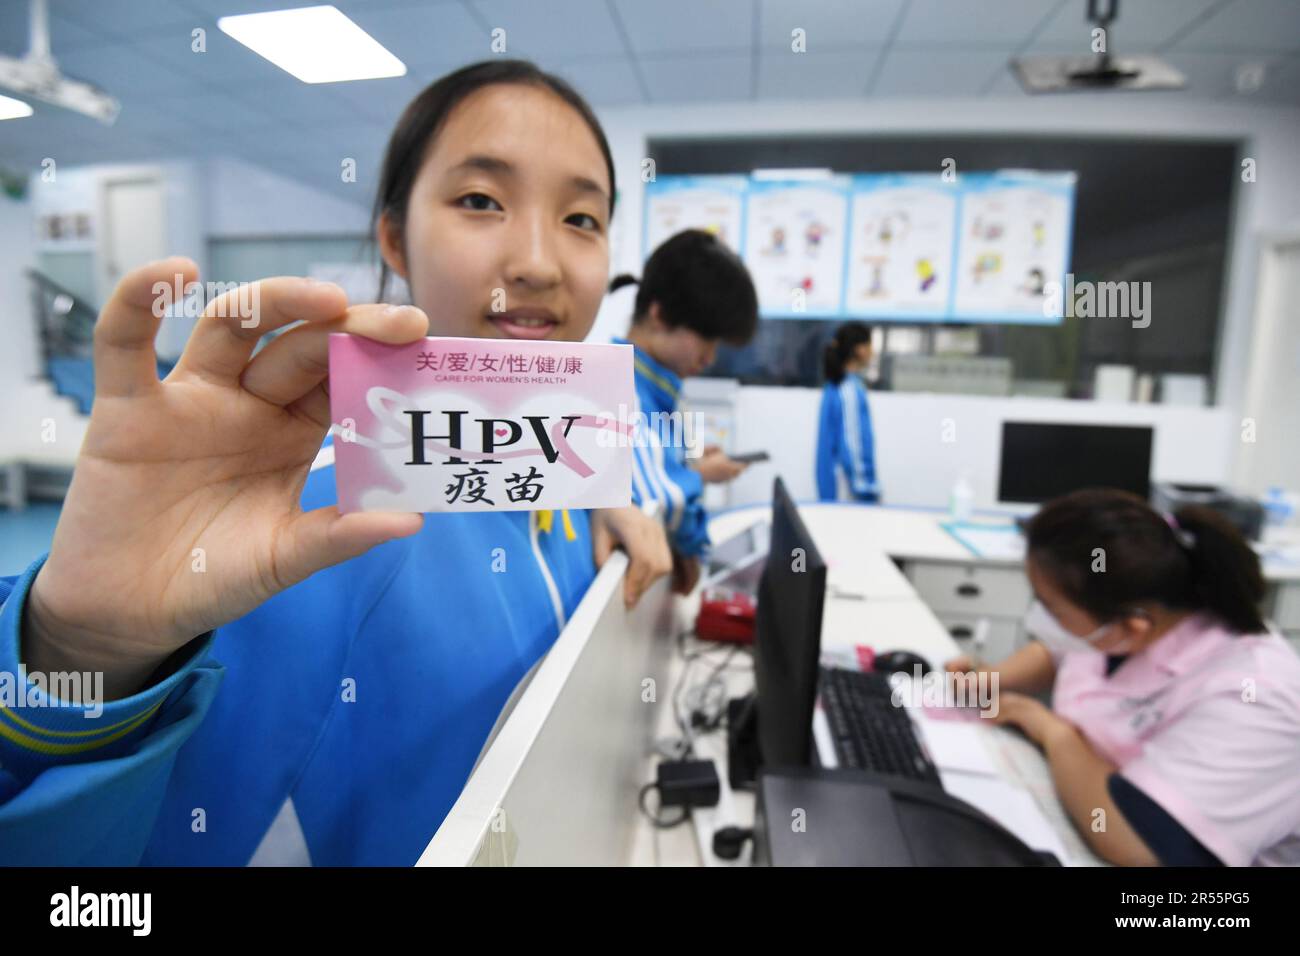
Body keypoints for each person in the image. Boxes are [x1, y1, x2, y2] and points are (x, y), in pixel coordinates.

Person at [0, 60, 674, 866]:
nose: (539, 262)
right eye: (481, 201)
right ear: (394, 235)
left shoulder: (571, 481)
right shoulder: (300, 527)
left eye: (582, 219)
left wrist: (607, 501)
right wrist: (84, 652)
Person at [946, 488, 1300, 866]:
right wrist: (991, 680)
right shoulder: (1140, 609)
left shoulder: (1254, 697)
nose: (1039, 620)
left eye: (1051, 609)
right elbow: (1060, 651)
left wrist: (1051, 731)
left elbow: (1140, 845)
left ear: (1132, 628)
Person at [610, 229, 759, 594]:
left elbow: (651, 465)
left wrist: (690, 465)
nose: (710, 357)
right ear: (659, 315)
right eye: (706, 338)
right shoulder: (617, 385)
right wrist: (701, 477)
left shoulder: (659, 385)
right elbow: (654, 500)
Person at [815, 321, 880, 503]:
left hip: (837, 489)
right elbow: (852, 444)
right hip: (849, 491)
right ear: (859, 350)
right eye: (870, 346)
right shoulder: (848, 390)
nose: (872, 352)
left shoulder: (837, 385)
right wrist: (868, 487)